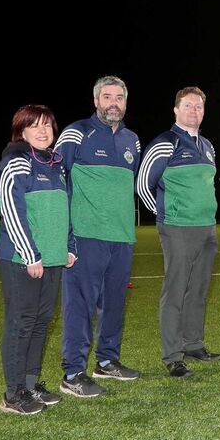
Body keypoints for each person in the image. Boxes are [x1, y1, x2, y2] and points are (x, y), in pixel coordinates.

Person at [54, 76, 143, 399]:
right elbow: (56, 178)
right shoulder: (77, 132)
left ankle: (107, 361)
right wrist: (65, 235)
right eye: (107, 97)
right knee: (80, 306)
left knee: (115, 304)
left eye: (119, 97)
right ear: (96, 101)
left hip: (121, 237)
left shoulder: (132, 140)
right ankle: (73, 372)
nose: (113, 103)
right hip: (86, 235)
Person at [0, 105, 76, 414]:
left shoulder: (56, 163)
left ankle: (30, 384)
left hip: (53, 258)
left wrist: (69, 246)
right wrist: (31, 254)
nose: (43, 131)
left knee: (41, 322)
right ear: (22, 130)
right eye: (35, 126)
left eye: (47, 125)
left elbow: (64, 209)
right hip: (22, 258)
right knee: (21, 322)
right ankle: (12, 395)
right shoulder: (16, 161)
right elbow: (11, 210)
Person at [138, 87, 220, 378]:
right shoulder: (165, 143)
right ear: (176, 110)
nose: (193, 111)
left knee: (198, 290)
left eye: (198, 107)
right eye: (188, 106)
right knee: (175, 292)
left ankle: (193, 343)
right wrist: (167, 217)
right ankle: (173, 356)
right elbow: (142, 186)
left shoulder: (208, 146)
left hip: (207, 229)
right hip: (178, 229)